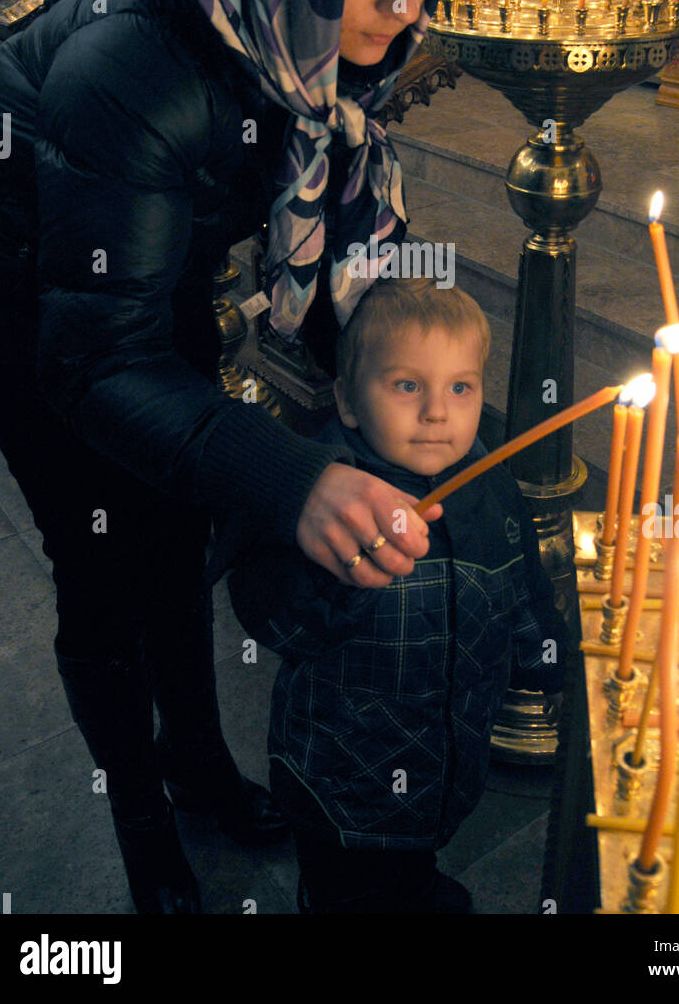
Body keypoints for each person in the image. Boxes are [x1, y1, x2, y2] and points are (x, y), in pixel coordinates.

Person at [0, 0, 480, 914]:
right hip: (21, 304)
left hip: (154, 275)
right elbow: (95, 359)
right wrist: (290, 476)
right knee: (101, 559)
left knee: (174, 519)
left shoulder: (281, 12)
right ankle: (144, 826)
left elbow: (313, 200)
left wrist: (401, 357)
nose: (406, 9)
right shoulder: (133, 67)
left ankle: (196, 766)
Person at [227, 279, 568, 915]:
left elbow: (523, 587)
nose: (438, 411)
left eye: (460, 387)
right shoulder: (326, 499)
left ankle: (412, 882)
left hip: (444, 755)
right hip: (343, 776)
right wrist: (352, 577)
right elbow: (275, 619)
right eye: (407, 385)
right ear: (349, 403)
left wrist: (554, 668)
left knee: (412, 860)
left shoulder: (488, 485)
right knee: (352, 891)